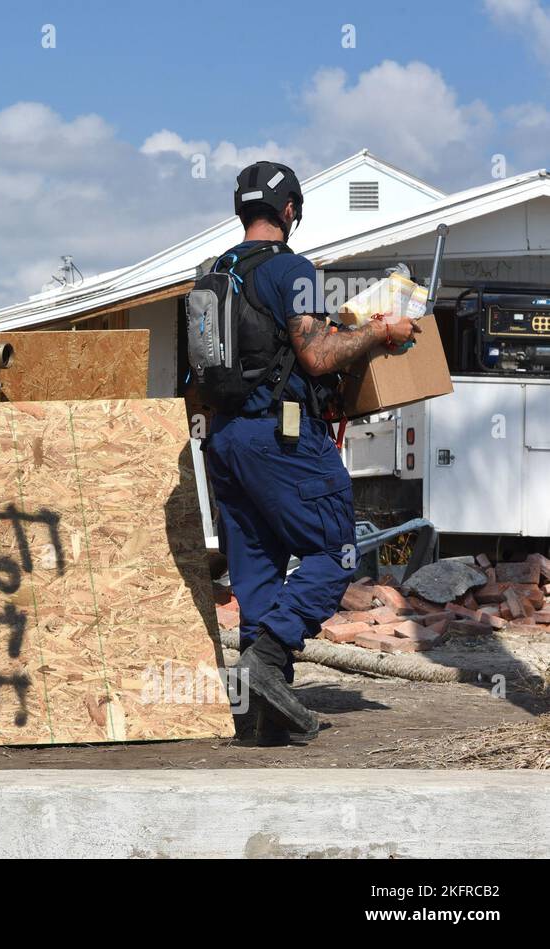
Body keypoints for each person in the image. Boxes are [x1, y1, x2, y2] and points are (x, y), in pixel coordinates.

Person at [206, 161, 419, 745]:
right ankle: (267, 659)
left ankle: (257, 714)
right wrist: (381, 333)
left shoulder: (214, 274)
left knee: (256, 569)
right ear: (290, 212)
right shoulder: (292, 269)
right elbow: (319, 357)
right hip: (284, 437)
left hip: (225, 439)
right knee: (336, 549)